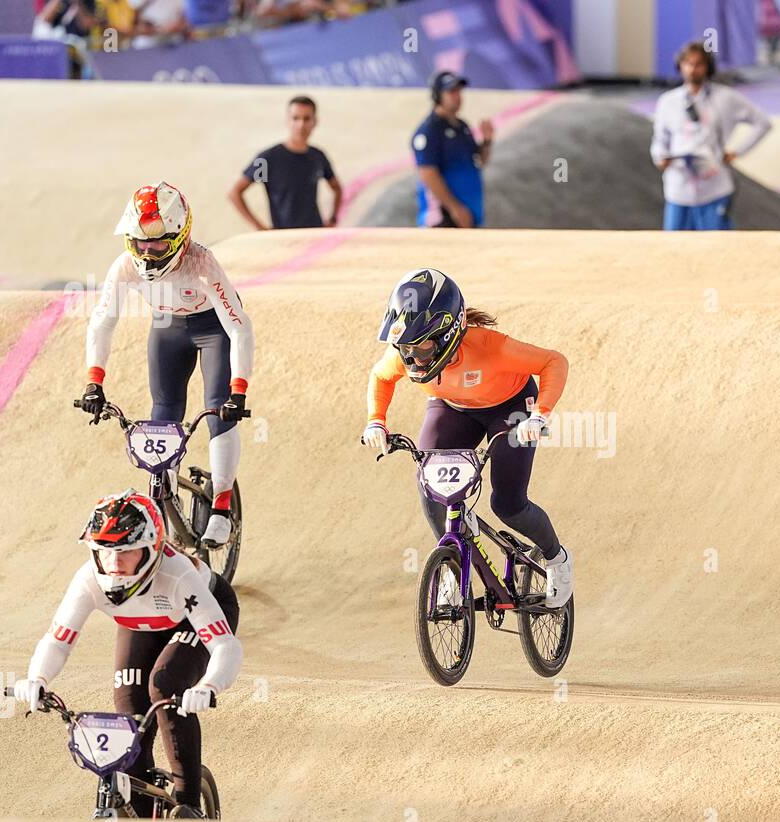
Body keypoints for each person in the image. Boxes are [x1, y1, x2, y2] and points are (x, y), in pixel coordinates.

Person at [13, 491, 243, 818]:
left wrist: (208, 687)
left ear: (151, 549)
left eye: (125, 552)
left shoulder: (178, 574)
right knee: (129, 711)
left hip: (199, 612)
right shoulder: (88, 580)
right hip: (142, 622)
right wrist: (37, 678)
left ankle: (189, 805)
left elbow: (225, 646)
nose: (114, 564)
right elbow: (58, 640)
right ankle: (142, 821)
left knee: (165, 687)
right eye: (104, 552)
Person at [360, 269, 573, 607]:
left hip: (510, 407)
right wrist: (376, 422)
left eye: (421, 346)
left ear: (447, 334)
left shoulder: (491, 347)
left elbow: (553, 362)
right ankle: (450, 565)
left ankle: (557, 558)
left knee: (508, 505)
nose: (412, 357)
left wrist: (540, 415)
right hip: (453, 407)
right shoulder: (407, 352)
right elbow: (381, 376)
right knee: (431, 485)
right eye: (404, 348)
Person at [79, 182, 254, 546]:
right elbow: (102, 320)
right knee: (163, 412)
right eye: (139, 243)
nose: (146, 252)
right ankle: (163, 497)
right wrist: (93, 381)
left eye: (156, 244)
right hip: (167, 329)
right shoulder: (125, 265)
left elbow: (239, 327)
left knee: (217, 411)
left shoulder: (202, 264)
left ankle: (222, 505)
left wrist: (238, 391)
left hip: (213, 330)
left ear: (179, 237)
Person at [650, 40, 772, 231]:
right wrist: (660, 157)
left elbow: (763, 123)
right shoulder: (668, 102)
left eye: (698, 64)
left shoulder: (726, 98)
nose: (693, 69)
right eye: (688, 63)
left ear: (708, 67)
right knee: (674, 250)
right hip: (678, 190)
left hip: (714, 189)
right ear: (680, 66)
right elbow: (659, 141)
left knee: (715, 252)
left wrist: (737, 152)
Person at [231, 96, 343, 231]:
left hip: (314, 235)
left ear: (315, 121)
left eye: (306, 118)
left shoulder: (317, 156)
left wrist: (333, 218)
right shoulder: (268, 159)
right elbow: (235, 192)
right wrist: (260, 227)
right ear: (287, 120)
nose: (301, 124)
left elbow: (337, 188)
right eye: (295, 118)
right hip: (284, 238)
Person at [412, 72, 494, 228]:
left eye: (459, 91)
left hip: (469, 212)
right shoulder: (429, 131)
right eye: (451, 92)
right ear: (437, 96)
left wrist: (487, 141)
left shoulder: (462, 127)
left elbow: (479, 161)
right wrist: (454, 208)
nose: (457, 96)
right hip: (443, 218)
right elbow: (427, 173)